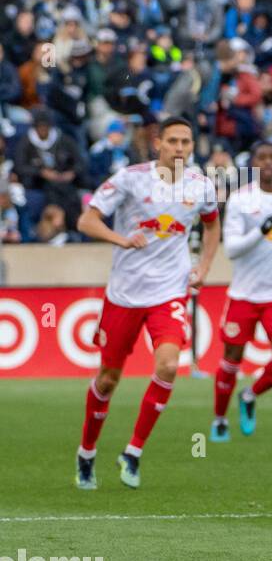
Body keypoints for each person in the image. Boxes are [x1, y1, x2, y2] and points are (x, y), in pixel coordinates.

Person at [73, 117, 220, 490]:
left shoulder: (201, 186)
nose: (180, 148)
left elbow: (212, 226)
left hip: (169, 292)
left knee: (169, 365)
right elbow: (86, 221)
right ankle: (87, 452)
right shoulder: (130, 178)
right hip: (124, 294)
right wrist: (120, 240)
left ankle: (133, 452)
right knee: (108, 379)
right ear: (158, 144)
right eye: (173, 141)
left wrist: (203, 266)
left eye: (186, 141)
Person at [211, 142, 272, 443]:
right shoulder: (241, 200)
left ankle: (250, 394)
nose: (268, 163)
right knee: (231, 359)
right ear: (254, 163)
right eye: (261, 158)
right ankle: (218, 420)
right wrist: (261, 230)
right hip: (244, 293)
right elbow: (230, 249)